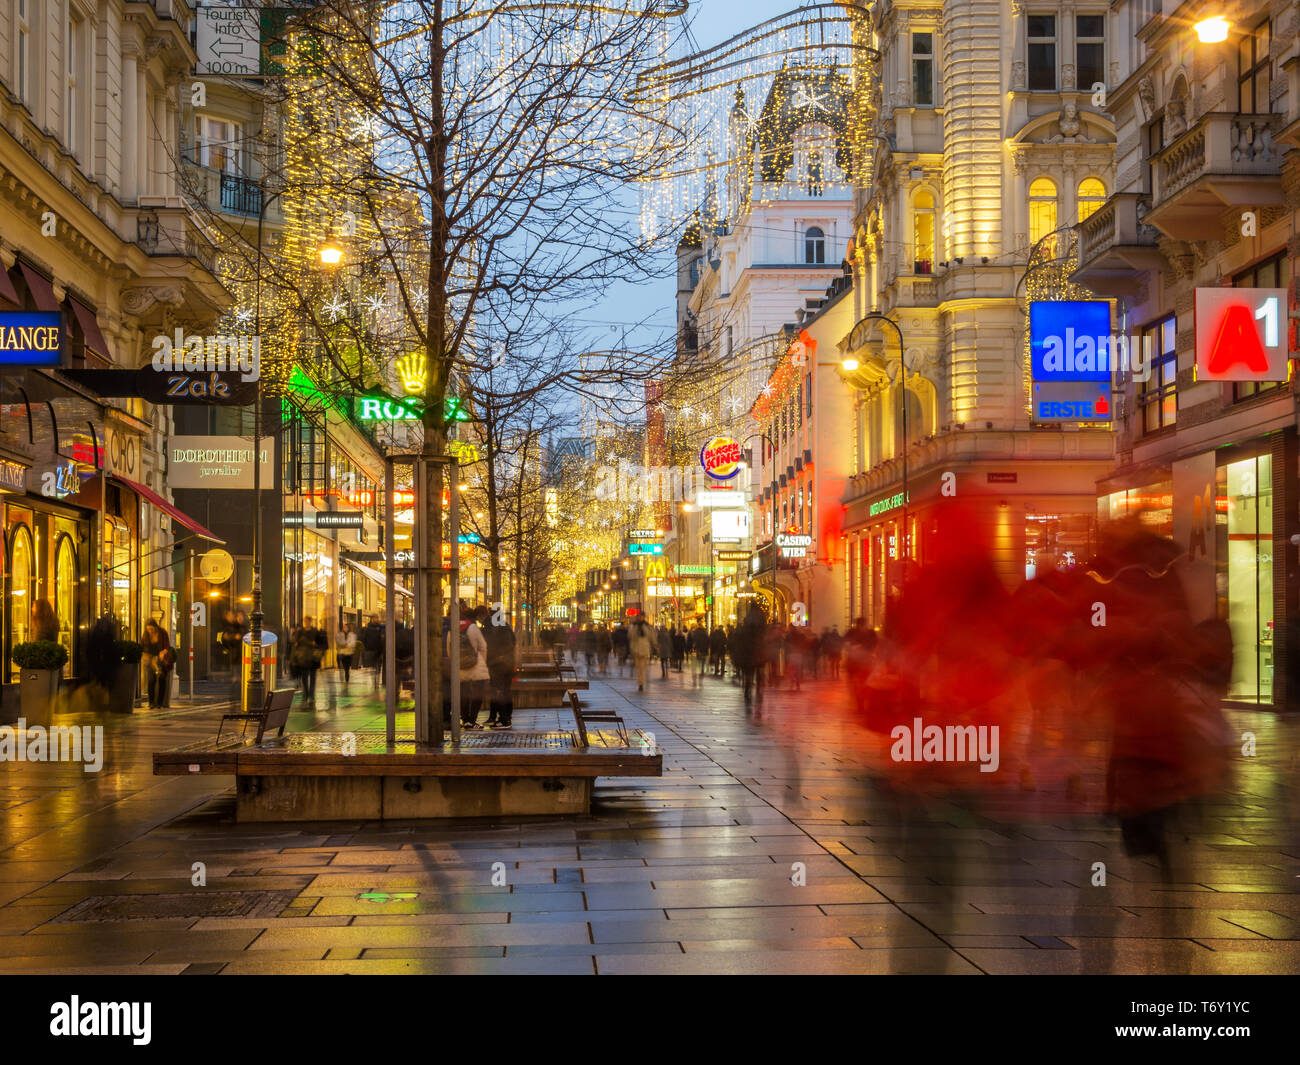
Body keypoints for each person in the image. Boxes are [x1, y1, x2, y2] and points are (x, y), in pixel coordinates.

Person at [483, 606, 517, 729]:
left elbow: (505, 645)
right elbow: (513, 642)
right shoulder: (504, 626)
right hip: (504, 664)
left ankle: (504, 719)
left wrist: (496, 657)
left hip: (500, 665)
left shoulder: (500, 628)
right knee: (502, 691)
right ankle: (500, 717)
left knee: (500, 691)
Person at [459, 606, 491, 728]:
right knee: (477, 694)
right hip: (475, 667)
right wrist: (481, 661)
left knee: (464, 694)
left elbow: (449, 647)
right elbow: (483, 647)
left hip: (460, 667)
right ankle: (472, 720)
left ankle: (465, 719)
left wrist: (457, 662)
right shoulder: (473, 628)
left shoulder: (454, 627)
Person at [290, 616, 326, 705]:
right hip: (303, 659)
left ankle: (311, 695)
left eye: (307, 621)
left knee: (313, 678)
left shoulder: (315, 631)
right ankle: (306, 695)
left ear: (310, 622)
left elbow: (320, 643)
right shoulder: (300, 632)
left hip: (313, 658)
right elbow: (295, 643)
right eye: (305, 621)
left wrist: (316, 645)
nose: (306, 623)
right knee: (304, 678)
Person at [140, 620, 171, 709]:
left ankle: (160, 703)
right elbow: (142, 646)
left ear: (155, 627)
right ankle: (151, 702)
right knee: (151, 680)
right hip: (150, 659)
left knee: (162, 680)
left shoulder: (162, 633)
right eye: (148, 629)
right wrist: (144, 655)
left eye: (152, 629)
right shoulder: (146, 634)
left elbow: (167, 646)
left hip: (161, 659)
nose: (150, 631)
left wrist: (163, 653)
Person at [628, 613, 654, 692]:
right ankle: (640, 682)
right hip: (636, 649)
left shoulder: (647, 626)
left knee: (642, 667)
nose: (640, 618)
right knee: (639, 667)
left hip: (644, 649)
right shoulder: (634, 626)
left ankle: (641, 683)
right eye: (639, 617)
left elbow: (651, 636)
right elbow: (630, 636)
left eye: (641, 616)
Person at [361, 614, 384, 689]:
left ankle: (376, 681)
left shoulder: (380, 628)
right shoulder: (368, 628)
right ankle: (374, 681)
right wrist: (367, 646)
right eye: (375, 618)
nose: (376, 619)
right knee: (373, 666)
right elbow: (364, 638)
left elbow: (383, 638)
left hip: (379, 650)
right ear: (371, 619)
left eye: (377, 618)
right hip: (371, 650)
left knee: (378, 666)